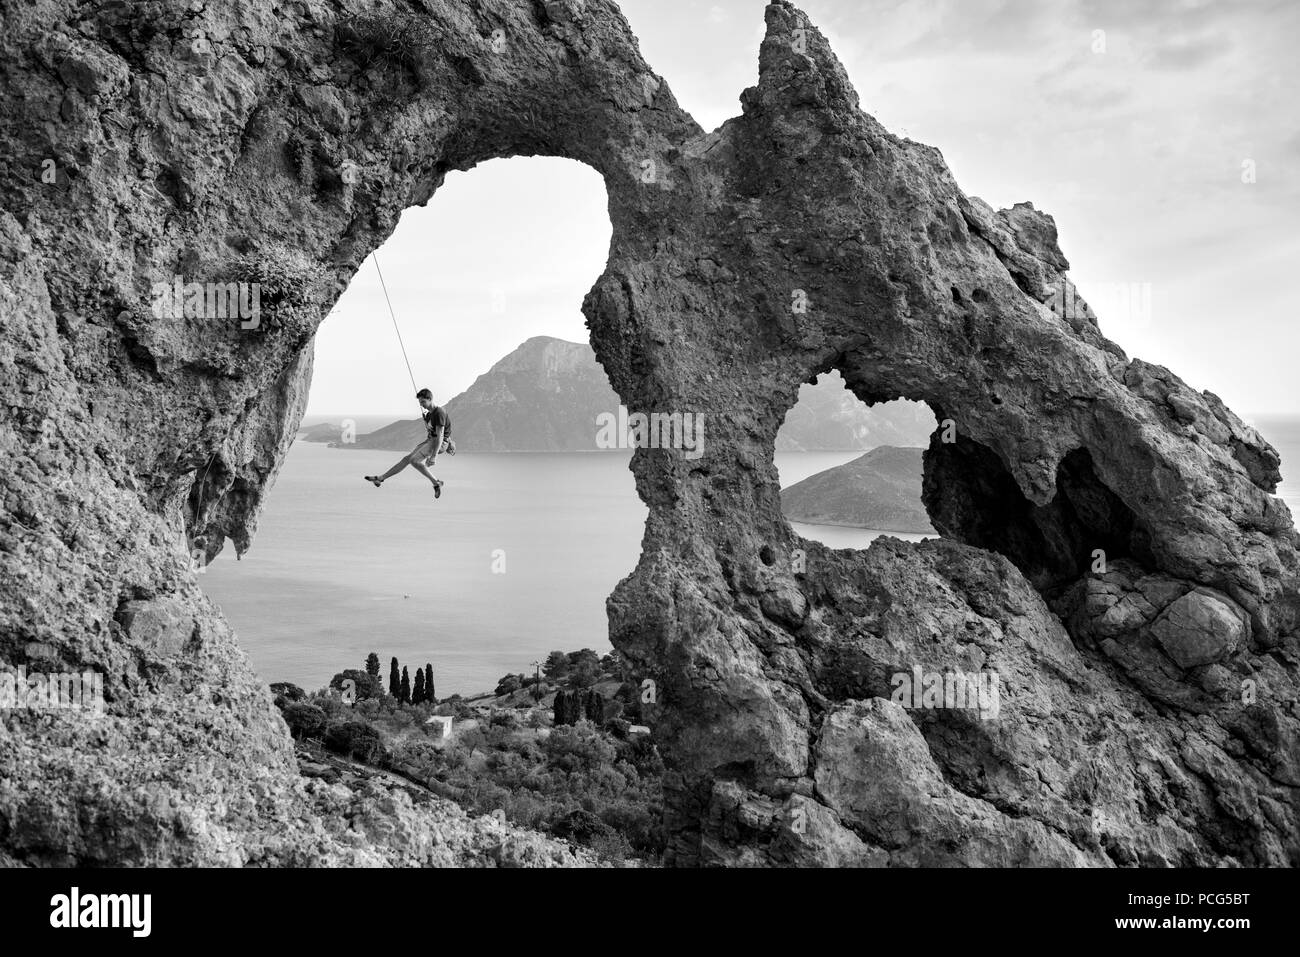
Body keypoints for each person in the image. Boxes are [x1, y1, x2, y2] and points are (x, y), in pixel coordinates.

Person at [364, 389, 453, 497]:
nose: (422, 405)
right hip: (431, 440)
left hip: (439, 442)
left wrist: (434, 456)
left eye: (423, 402)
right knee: (407, 459)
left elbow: (440, 435)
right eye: (420, 403)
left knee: (414, 460)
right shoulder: (429, 415)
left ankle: (436, 482)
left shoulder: (439, 413)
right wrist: (427, 422)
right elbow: (432, 431)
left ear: (430, 399)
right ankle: (380, 479)